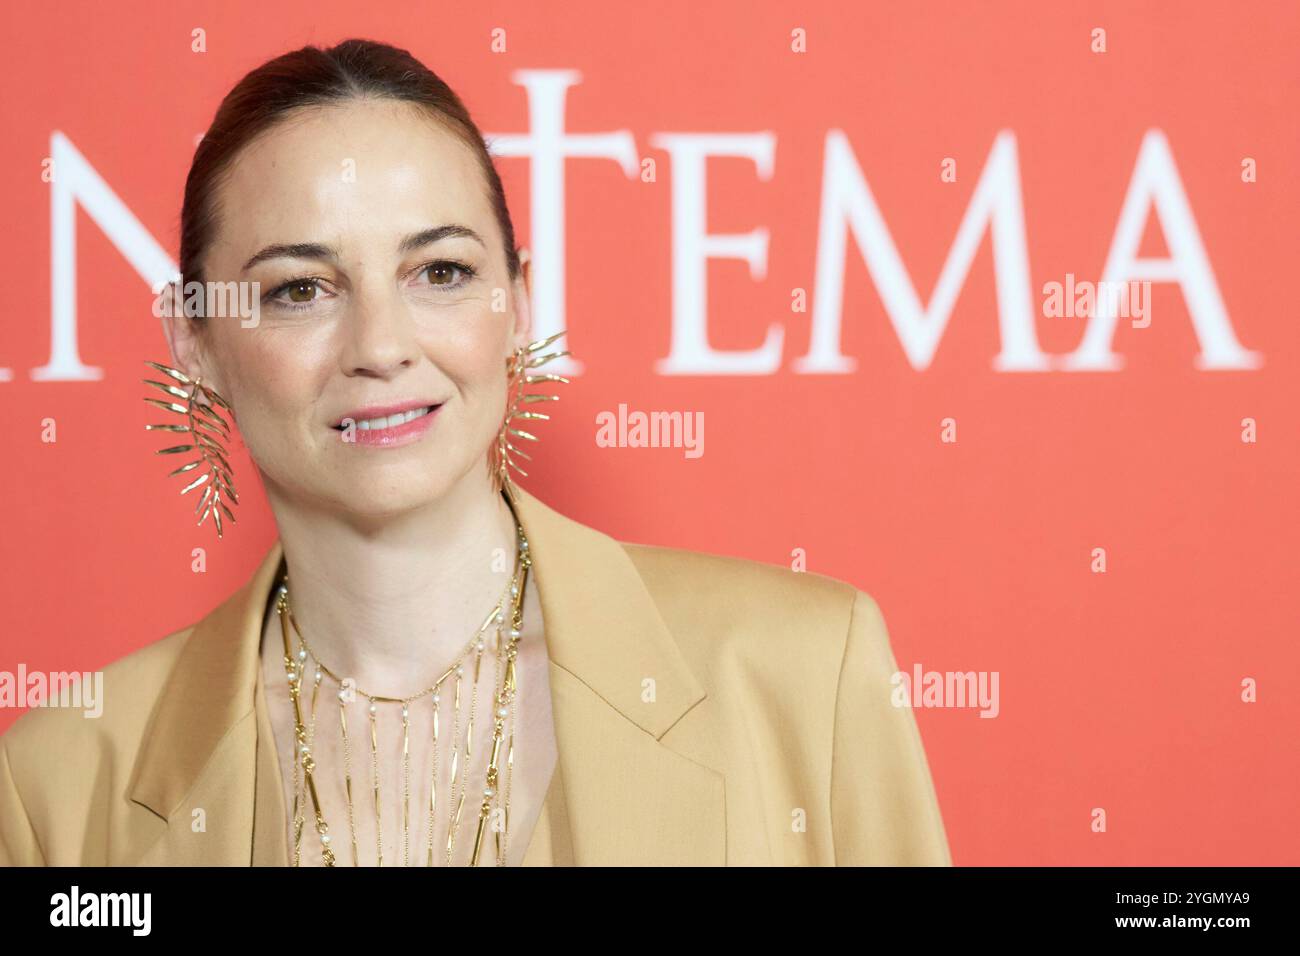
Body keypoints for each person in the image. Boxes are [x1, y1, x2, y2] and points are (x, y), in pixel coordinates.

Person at [0, 38, 951, 866]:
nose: (380, 345)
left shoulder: (802, 674)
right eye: (299, 289)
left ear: (518, 304)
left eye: (441, 272)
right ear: (195, 343)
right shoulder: (58, 785)